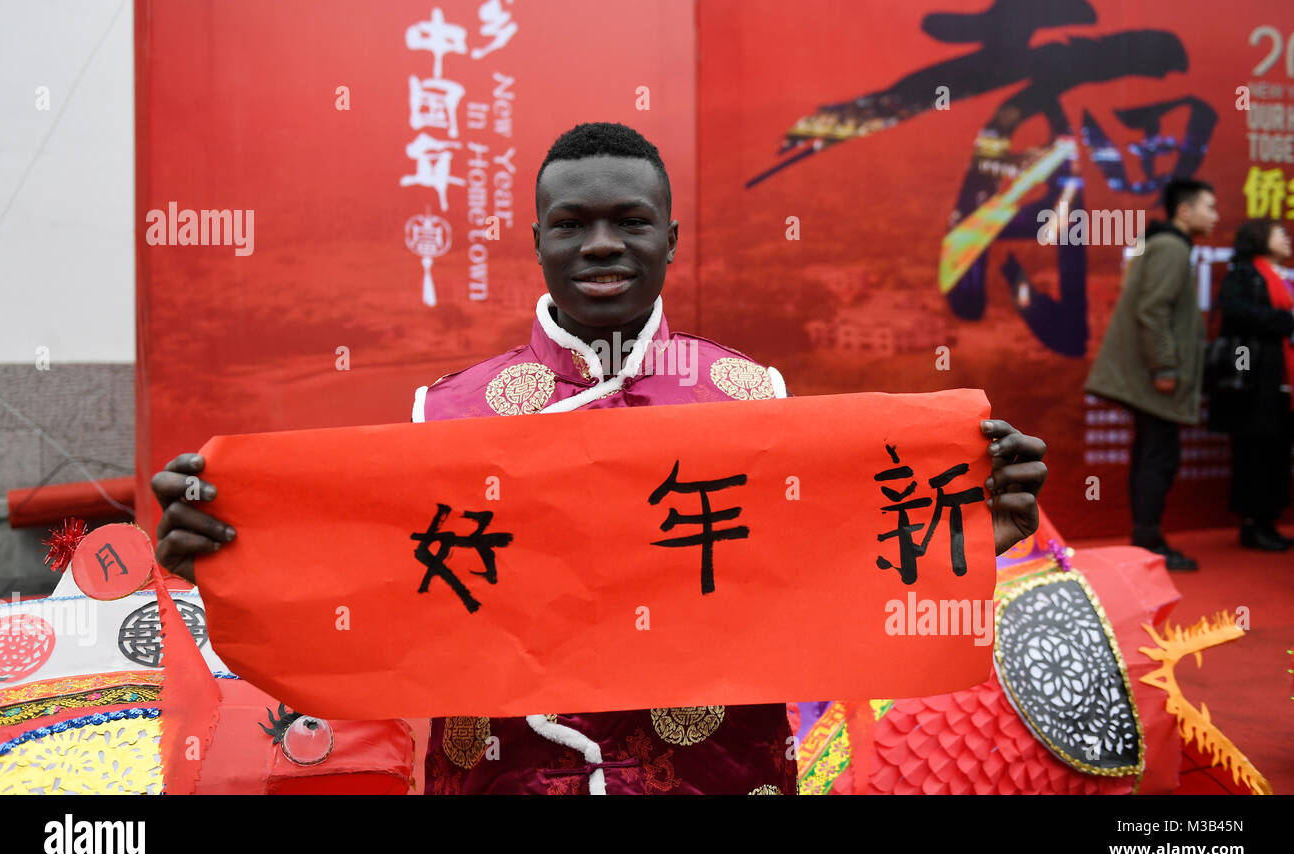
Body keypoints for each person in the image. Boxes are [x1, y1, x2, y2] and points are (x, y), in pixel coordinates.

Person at [150, 122, 1049, 794]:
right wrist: (232, 547)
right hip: (502, 774)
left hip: (720, 771)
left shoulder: (751, 395)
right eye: (572, 223)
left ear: (670, 235)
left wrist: (970, 529)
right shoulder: (446, 411)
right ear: (536, 238)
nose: (603, 245)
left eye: (632, 220)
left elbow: (828, 571)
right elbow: (375, 586)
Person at [1084, 177, 1217, 571]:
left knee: (1151, 453)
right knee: (1159, 456)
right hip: (1154, 377)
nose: (1215, 216)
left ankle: (1146, 538)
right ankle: (1149, 542)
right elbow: (1153, 311)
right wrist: (1166, 366)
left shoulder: (1163, 245)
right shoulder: (1172, 248)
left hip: (1150, 375)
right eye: (1209, 206)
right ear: (1184, 210)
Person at [1210, 219, 1294, 550]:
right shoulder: (1243, 274)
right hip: (1252, 378)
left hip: (1280, 381)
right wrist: (1284, 320)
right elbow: (1234, 314)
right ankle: (1251, 524)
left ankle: (1268, 522)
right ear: (1259, 239)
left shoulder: (1282, 278)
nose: (1287, 238)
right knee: (1253, 452)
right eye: (1279, 233)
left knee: (1276, 452)